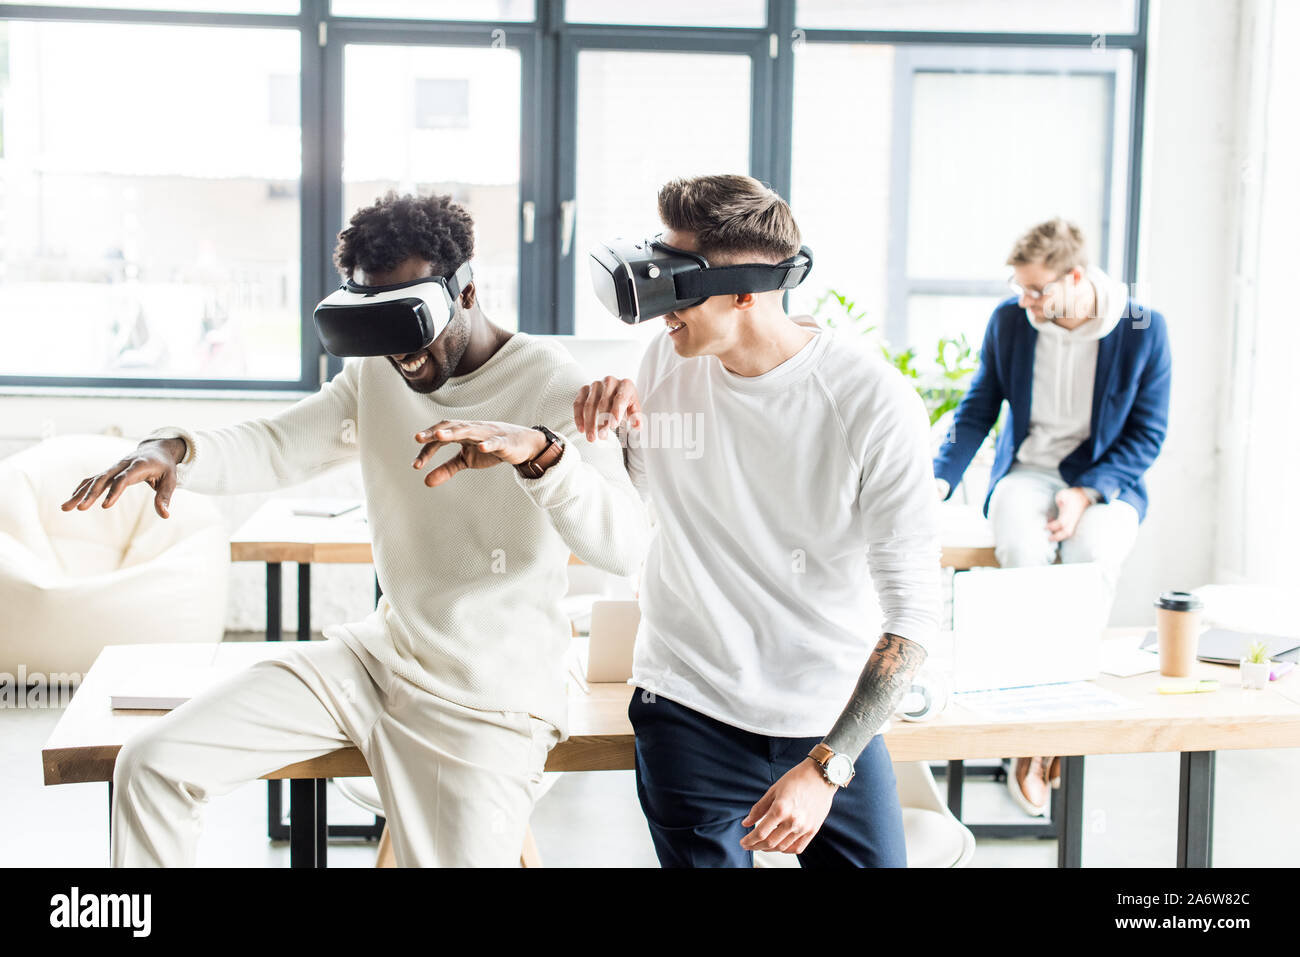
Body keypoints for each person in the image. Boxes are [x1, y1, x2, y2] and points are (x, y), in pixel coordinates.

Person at [62, 191, 649, 867]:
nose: (400, 350)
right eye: (377, 323)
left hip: (489, 700)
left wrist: (543, 456)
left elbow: (624, 544)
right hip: (376, 660)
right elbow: (283, 442)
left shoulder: (553, 385)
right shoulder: (378, 369)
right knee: (152, 764)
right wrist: (176, 447)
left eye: (410, 319)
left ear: (466, 293)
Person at [574, 174, 939, 867]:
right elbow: (631, 515)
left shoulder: (872, 402)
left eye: (676, 283)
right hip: (688, 704)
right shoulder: (662, 364)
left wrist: (828, 768)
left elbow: (914, 616)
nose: (658, 310)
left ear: (746, 289)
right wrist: (610, 431)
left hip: (827, 718)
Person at [933, 217, 1171, 816]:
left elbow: (1148, 434)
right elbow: (978, 407)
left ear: (1077, 276)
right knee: (1020, 546)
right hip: (1028, 471)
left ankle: (1052, 724)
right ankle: (1032, 725)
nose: (1026, 300)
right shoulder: (1012, 322)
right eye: (1021, 287)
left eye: (1037, 289)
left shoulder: (1143, 329)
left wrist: (1088, 493)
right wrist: (939, 478)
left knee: (1092, 554)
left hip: (1106, 479)